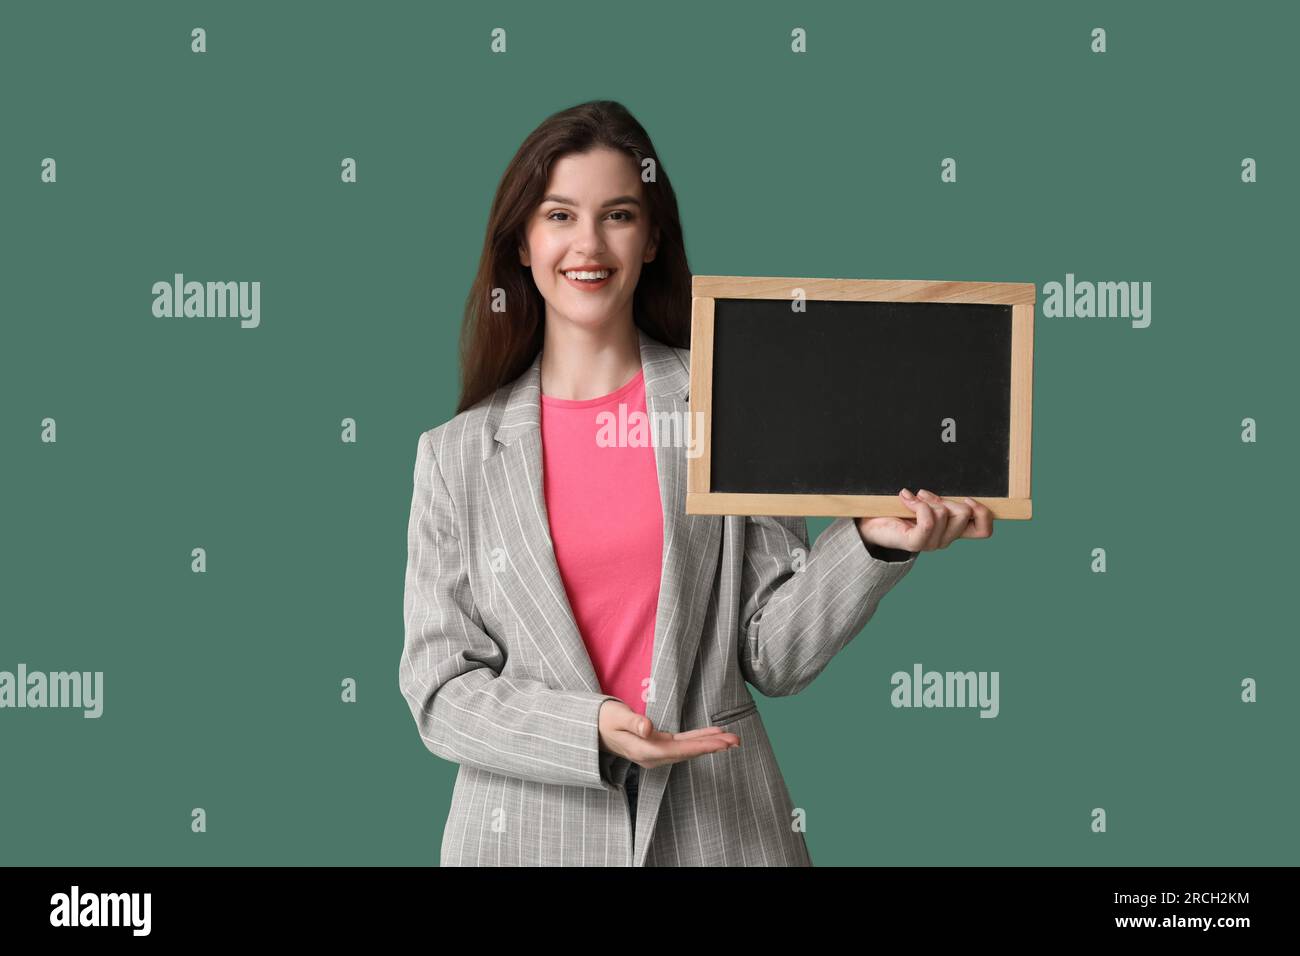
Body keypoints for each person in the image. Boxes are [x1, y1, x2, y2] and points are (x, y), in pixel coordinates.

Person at [398, 100, 994, 866]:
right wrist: (589, 730)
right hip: (524, 836)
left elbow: (771, 652)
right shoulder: (454, 456)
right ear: (522, 240)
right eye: (559, 216)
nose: (588, 244)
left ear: (650, 240)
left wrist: (872, 544)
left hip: (720, 832)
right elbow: (440, 691)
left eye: (617, 215)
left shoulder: (728, 402)